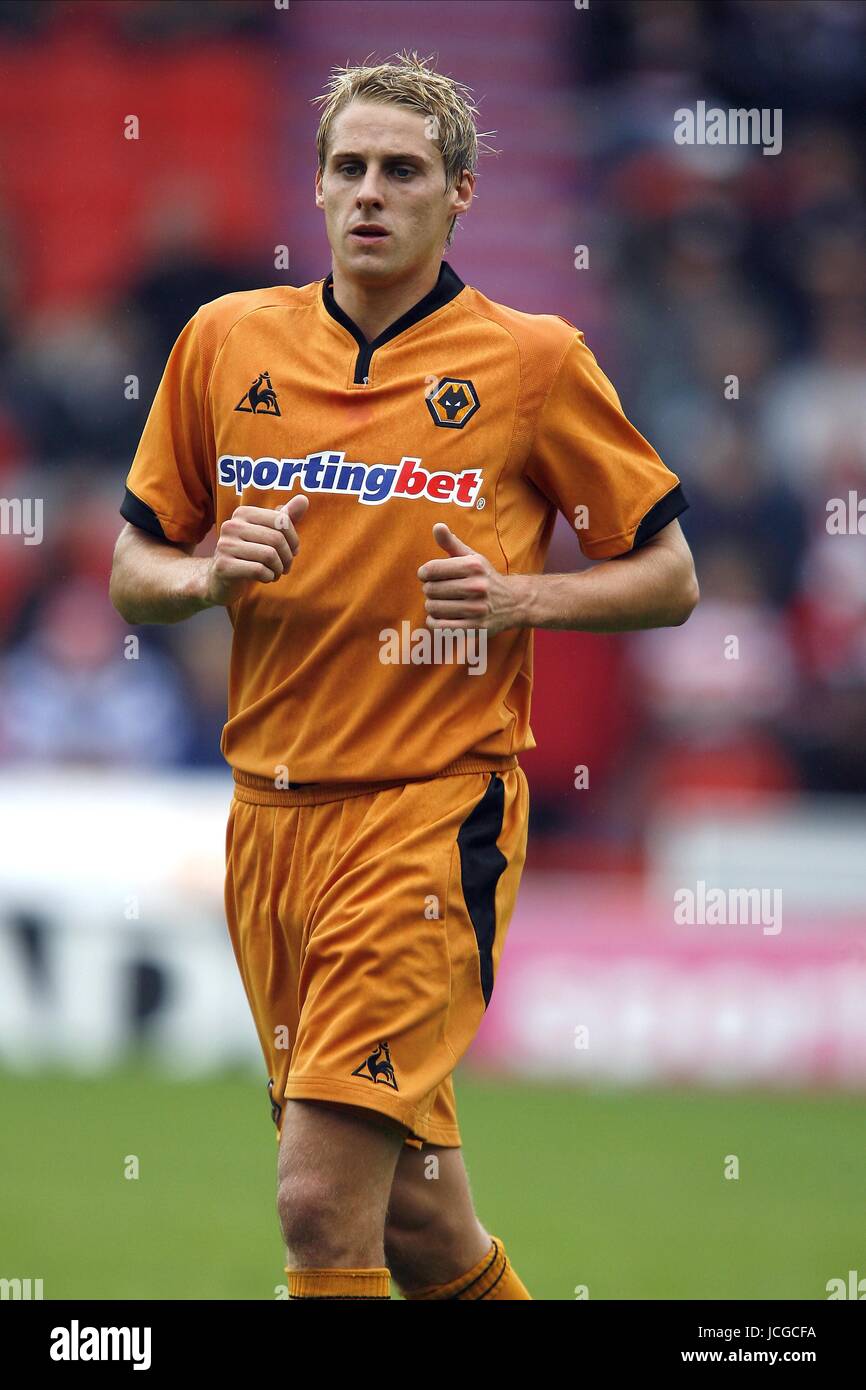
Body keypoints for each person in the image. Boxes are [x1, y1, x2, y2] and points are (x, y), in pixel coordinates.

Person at [109, 50, 698, 1303]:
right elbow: (131, 567)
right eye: (347, 167)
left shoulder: (531, 361)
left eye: (402, 170)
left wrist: (519, 596)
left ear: (460, 193)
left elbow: (667, 577)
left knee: (320, 1203)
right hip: (269, 824)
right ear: (315, 189)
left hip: (430, 812)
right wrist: (206, 576)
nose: (369, 192)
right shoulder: (223, 343)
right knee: (424, 1231)